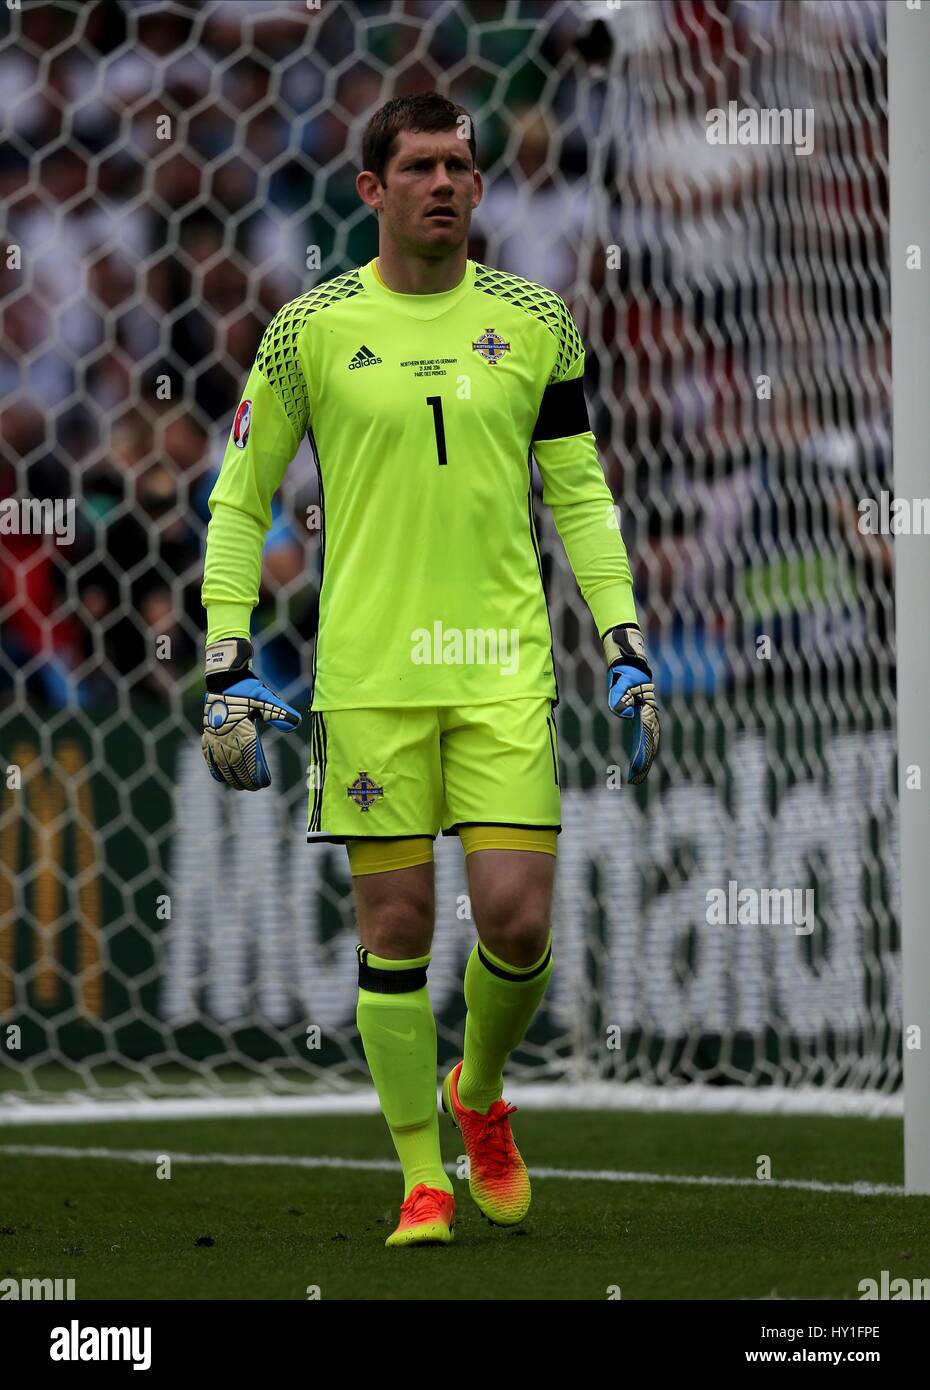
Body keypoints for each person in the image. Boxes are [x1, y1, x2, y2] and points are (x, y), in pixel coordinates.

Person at [200, 92, 659, 1247]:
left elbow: (582, 494)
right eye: (419, 166)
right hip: (368, 679)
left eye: (462, 164)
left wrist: (624, 639)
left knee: (512, 921)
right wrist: (224, 658)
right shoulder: (307, 328)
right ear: (372, 190)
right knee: (396, 932)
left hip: (504, 670)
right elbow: (240, 499)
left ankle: (479, 1094)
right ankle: (420, 1178)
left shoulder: (539, 320)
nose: (445, 183)